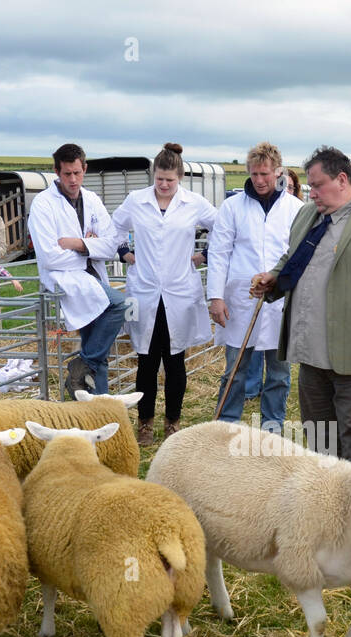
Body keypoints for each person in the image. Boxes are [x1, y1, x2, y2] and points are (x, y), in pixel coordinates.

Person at [250, 145, 351, 464]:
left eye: (317, 185)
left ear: (342, 179)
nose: (311, 193)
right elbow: (293, 258)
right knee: (319, 439)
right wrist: (273, 277)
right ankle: (325, 506)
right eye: (310, 186)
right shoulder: (307, 215)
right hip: (311, 352)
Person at [108, 142, 218, 444]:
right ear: (153, 175)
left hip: (179, 291)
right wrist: (123, 252)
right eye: (159, 179)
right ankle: (145, 422)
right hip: (142, 291)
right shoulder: (136, 200)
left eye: (170, 180)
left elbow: (222, 227)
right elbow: (113, 227)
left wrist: (204, 255)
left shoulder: (193, 203)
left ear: (179, 177)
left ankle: (173, 422)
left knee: (175, 360)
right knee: (145, 360)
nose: (164, 185)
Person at [207, 141, 304, 433]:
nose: (259, 180)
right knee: (235, 369)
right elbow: (219, 252)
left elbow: (299, 255)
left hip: (279, 301)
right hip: (240, 299)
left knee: (278, 373)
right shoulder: (232, 206)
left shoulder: (296, 208)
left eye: (265, 174)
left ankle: (271, 431)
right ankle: (226, 427)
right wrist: (215, 297)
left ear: (278, 172)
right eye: (254, 174)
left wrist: (278, 278)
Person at [26, 143, 127, 394]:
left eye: (77, 173)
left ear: (85, 168)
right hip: (67, 281)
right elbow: (49, 257)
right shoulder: (43, 204)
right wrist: (90, 249)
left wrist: (76, 244)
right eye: (66, 174)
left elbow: (111, 244)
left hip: (93, 278)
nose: (73, 179)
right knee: (119, 305)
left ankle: (86, 380)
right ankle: (87, 371)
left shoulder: (91, 199)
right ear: (56, 172)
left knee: (96, 347)